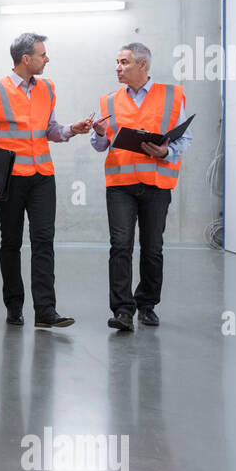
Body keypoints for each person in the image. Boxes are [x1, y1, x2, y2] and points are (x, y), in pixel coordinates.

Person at [0, 32, 94, 328]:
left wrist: (72, 129)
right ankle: (14, 307)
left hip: (43, 177)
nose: (47, 59)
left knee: (44, 242)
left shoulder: (48, 88)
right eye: (42, 55)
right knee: (11, 243)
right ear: (25, 59)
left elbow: (50, 129)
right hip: (11, 180)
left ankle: (45, 312)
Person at [89, 43, 192, 331]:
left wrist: (166, 153)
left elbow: (186, 139)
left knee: (152, 248)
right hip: (120, 184)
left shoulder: (172, 96)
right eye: (117, 62)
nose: (117, 68)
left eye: (124, 62)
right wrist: (98, 135)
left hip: (157, 184)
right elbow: (101, 145)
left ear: (142, 65)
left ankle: (147, 305)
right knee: (120, 246)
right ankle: (122, 310)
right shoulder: (109, 101)